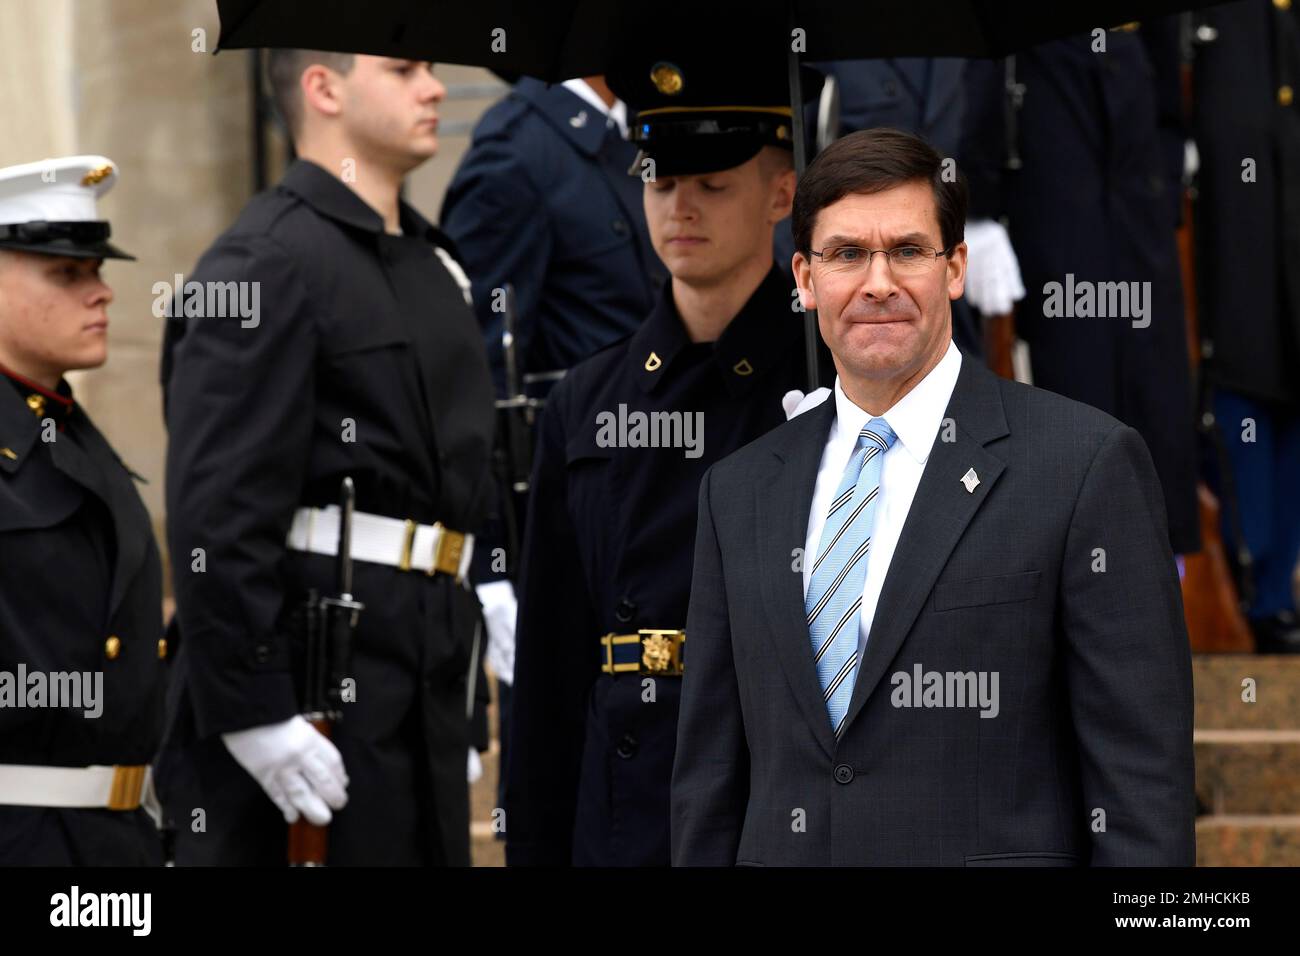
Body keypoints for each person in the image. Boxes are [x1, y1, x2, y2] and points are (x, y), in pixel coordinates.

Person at [672, 128, 1195, 866]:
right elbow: (710, 782)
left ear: (954, 268)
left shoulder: (1085, 467)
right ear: (804, 277)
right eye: (847, 254)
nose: (877, 281)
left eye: (908, 251)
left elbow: (1143, 783)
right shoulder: (738, 491)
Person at [157, 51, 495, 866]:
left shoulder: (433, 262)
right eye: (406, 70)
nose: (436, 89)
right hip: (314, 688)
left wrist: (465, 693)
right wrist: (253, 709)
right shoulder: (265, 263)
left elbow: (457, 492)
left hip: (423, 684)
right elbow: (218, 513)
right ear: (324, 87)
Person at [504, 54, 831, 866]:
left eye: (714, 185)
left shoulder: (830, 382)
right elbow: (549, 662)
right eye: (659, 183)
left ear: (782, 195)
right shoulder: (587, 400)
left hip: (777, 789)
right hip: (626, 797)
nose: (681, 207)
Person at [441, 72, 667, 814]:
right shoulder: (518, 148)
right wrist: (492, 559)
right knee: (570, 777)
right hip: (577, 516)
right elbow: (477, 378)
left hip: (668, 501)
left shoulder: (639, 126)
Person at [0, 156, 166, 864]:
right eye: (67, 274)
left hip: (112, 837)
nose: (101, 294)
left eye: (98, 271)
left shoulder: (65, 430)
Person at [1192, 0, 1300, 652]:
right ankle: (1252, 584)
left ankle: (1274, 589)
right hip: (1235, 242)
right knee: (1244, 391)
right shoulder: (1217, 19)